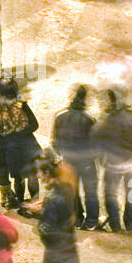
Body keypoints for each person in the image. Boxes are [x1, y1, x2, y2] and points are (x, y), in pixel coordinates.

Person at [28, 160, 82, 263]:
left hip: (56, 245)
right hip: (67, 240)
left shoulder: (53, 197)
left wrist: (39, 218)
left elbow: (49, 227)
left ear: (48, 174)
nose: (38, 175)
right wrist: (44, 208)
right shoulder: (66, 188)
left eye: (40, 172)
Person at [97, 88, 132, 232]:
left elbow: (97, 141)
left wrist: (102, 160)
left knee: (110, 193)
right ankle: (130, 222)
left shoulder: (106, 120)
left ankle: (115, 225)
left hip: (113, 165)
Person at [0, 79, 43, 209]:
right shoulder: (19, 106)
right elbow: (34, 125)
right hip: (27, 146)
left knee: (18, 178)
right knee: (32, 176)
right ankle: (34, 203)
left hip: (10, 148)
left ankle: (20, 202)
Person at [53, 85, 100, 230]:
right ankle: (91, 221)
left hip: (67, 159)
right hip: (86, 161)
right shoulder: (90, 118)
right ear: (86, 99)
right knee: (90, 192)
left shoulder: (60, 115)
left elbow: (55, 140)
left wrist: (60, 154)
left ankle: (77, 218)